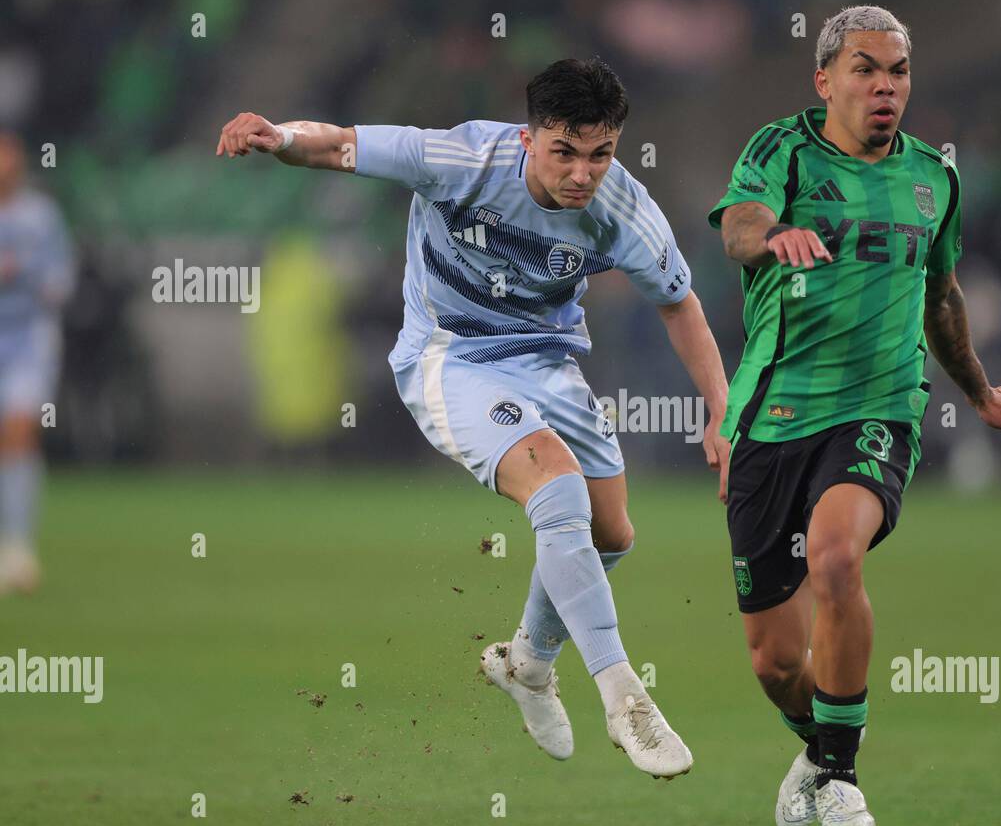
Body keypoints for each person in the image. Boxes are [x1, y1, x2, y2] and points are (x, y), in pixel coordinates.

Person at [217, 58, 730, 780]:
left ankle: (527, 664)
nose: (584, 173)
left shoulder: (623, 210)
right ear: (528, 138)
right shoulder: (461, 160)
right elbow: (338, 145)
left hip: (547, 361)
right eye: (565, 152)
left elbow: (679, 304)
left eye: (600, 154)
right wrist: (278, 135)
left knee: (612, 533)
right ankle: (624, 696)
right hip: (451, 357)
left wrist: (720, 408)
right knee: (557, 489)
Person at [709, 6, 1001, 826]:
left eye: (897, 70)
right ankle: (820, 751)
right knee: (777, 662)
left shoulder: (936, 178)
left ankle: (843, 776)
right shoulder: (779, 149)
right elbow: (739, 226)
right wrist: (774, 234)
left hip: (879, 407)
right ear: (826, 81)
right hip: (771, 415)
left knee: (836, 557)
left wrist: (979, 392)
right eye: (865, 68)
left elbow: (942, 296)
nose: (885, 85)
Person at [0, 130, 75, 595]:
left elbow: (61, 280)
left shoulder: (40, 216)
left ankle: (19, 547)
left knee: (21, 431)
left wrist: (24, 274)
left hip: (28, 338)